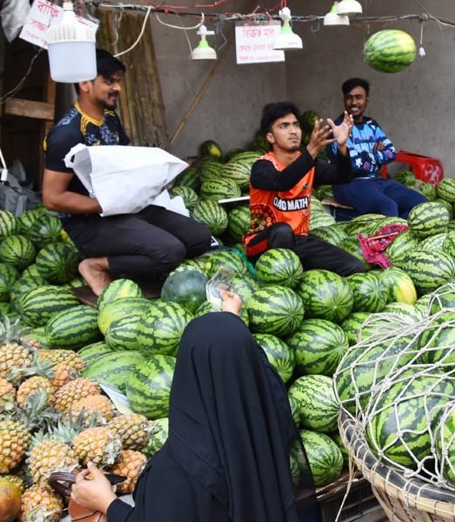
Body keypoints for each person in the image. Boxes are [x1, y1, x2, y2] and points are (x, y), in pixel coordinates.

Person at [70, 290, 317, 521]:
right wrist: (231, 321)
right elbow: (237, 361)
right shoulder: (270, 421)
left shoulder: (178, 470)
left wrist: (108, 503)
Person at [42, 50, 212, 295]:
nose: (118, 88)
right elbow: (52, 198)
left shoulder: (111, 119)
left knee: (199, 238)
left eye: (118, 81)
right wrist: (103, 204)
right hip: (89, 224)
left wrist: (156, 175)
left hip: (125, 209)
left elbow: (124, 164)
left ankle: (139, 260)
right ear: (85, 84)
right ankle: (96, 266)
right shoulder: (66, 134)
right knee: (170, 251)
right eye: (109, 81)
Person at [243, 101, 365, 277]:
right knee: (282, 230)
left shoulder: (309, 164)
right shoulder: (262, 167)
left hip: (298, 241)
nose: (293, 131)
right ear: (270, 137)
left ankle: (302, 276)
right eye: (284, 126)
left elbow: (343, 176)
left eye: (296, 125)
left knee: (354, 267)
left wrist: (342, 146)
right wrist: (311, 151)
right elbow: (282, 182)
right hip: (263, 243)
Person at [327, 78, 428, 217]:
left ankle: (403, 233)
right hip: (349, 185)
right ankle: (390, 236)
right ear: (344, 100)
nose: (354, 102)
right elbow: (352, 165)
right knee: (388, 207)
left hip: (376, 181)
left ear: (366, 100)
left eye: (358, 97)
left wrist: (366, 158)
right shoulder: (337, 128)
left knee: (420, 203)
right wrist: (378, 158)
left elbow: (391, 152)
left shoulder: (372, 125)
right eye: (349, 98)